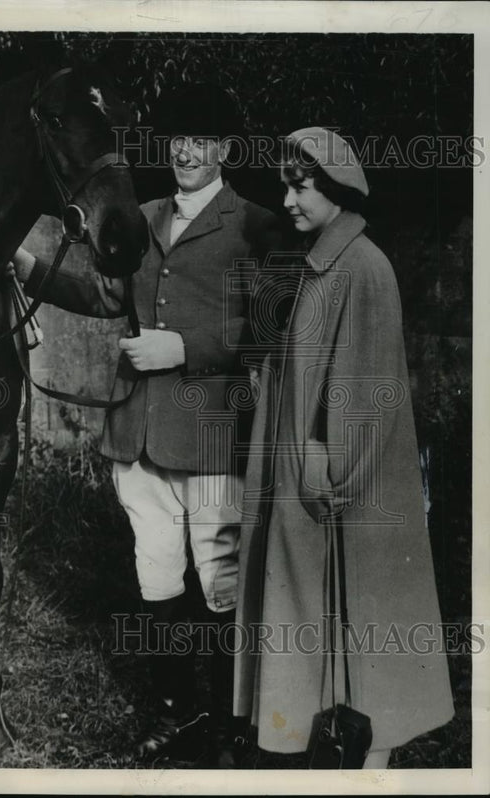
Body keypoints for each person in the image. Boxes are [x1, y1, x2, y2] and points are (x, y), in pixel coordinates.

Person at [11, 84, 281, 766]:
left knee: (219, 573)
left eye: (201, 141)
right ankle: (175, 707)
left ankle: (230, 716)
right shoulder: (143, 214)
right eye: (178, 140)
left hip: (212, 430)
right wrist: (26, 264)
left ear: (222, 151)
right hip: (137, 428)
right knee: (156, 569)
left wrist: (186, 348)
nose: (186, 152)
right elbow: (106, 293)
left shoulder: (254, 224)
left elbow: (268, 333)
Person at [234, 127, 454, 768]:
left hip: (336, 492)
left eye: (299, 186)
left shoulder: (363, 268)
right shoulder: (321, 263)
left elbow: (365, 395)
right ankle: (338, 758)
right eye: (285, 185)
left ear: (332, 188)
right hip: (311, 480)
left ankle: (368, 766)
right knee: (328, 631)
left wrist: (326, 481)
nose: (288, 199)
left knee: (363, 636)